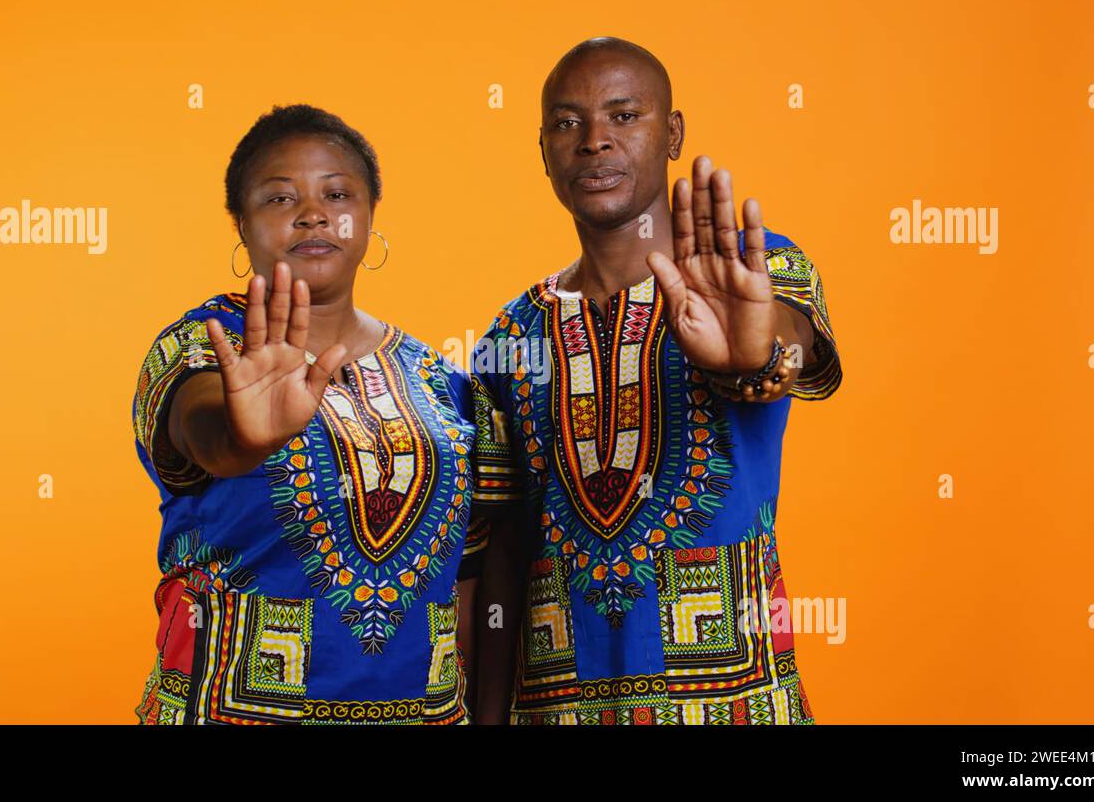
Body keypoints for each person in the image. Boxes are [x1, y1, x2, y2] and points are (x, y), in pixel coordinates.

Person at [471, 37, 843, 725]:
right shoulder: (511, 336)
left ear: (672, 133)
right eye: (567, 122)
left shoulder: (750, 273)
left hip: (732, 703)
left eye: (623, 115)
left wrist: (757, 359)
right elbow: (506, 548)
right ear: (544, 149)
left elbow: (785, 351)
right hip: (559, 708)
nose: (593, 141)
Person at [131, 104, 488, 724]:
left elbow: (472, 576)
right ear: (240, 224)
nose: (313, 213)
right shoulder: (201, 347)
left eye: (338, 193)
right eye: (278, 198)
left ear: (371, 214)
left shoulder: (444, 383)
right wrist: (243, 437)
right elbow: (206, 432)